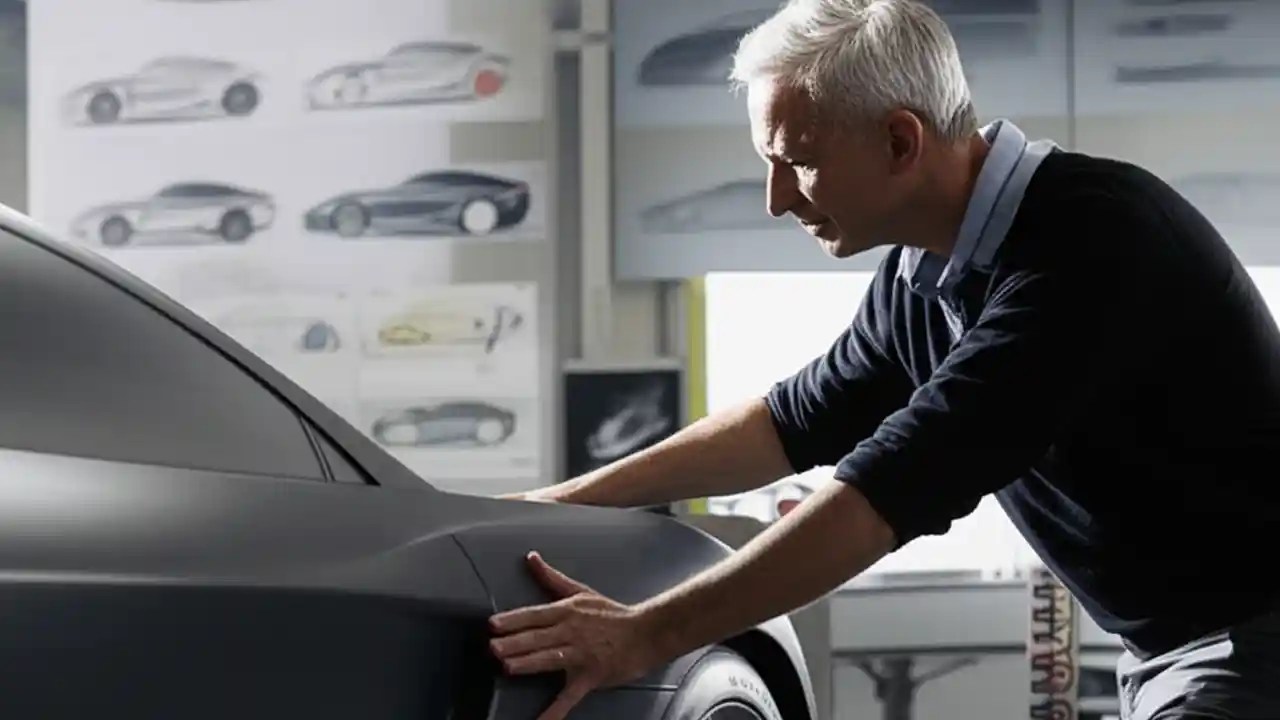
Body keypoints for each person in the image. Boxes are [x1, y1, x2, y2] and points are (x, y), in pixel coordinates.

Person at [487, 1, 1280, 718]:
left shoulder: (1088, 246)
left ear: (901, 141)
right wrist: (554, 506)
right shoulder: (925, 272)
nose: (777, 199)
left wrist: (639, 638)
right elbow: (788, 425)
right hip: (1185, 653)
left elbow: (888, 490)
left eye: (795, 161)